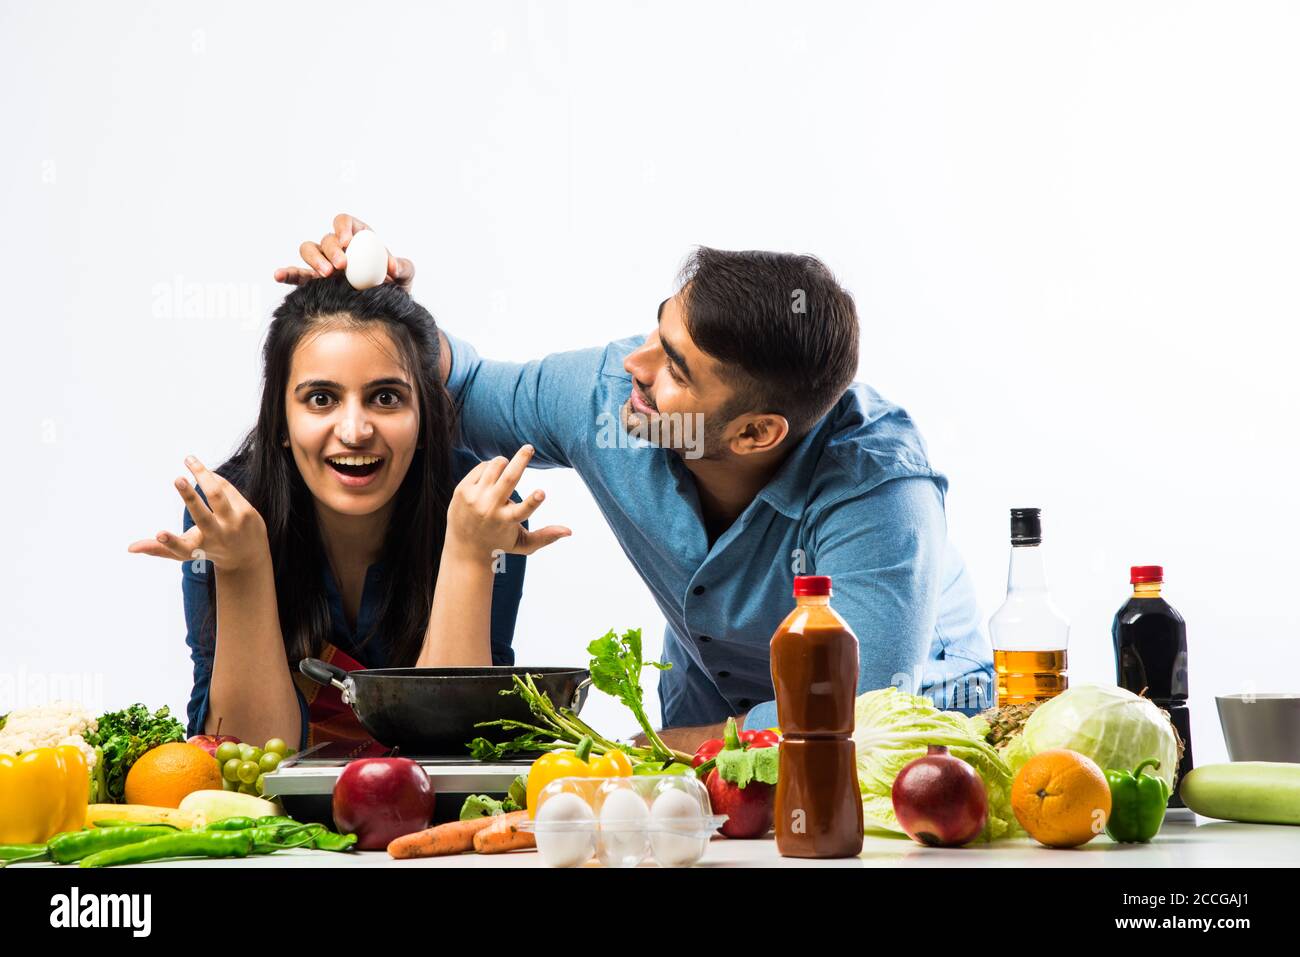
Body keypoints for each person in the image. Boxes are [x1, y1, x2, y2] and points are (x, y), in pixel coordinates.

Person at [278, 214, 993, 755]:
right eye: (658, 330)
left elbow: (841, 710)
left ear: (755, 434)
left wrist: (632, 755)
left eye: (676, 369)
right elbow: (457, 388)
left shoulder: (879, 490)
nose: (635, 366)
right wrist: (388, 310)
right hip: (707, 714)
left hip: (906, 733)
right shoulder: (612, 400)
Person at [129, 274, 570, 752]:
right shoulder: (226, 512)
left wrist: (468, 552)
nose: (355, 431)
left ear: (424, 420)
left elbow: (459, 752)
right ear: (280, 421)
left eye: (386, 398)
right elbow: (246, 763)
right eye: (322, 399)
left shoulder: (478, 509)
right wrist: (241, 567)